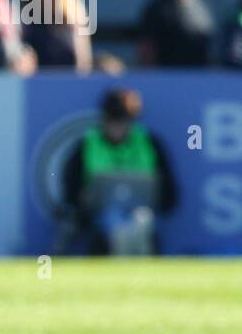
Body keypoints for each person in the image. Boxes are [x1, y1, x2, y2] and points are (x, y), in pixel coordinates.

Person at [58, 88, 177, 255]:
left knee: (141, 220)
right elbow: (71, 190)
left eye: (123, 121)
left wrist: (159, 197)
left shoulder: (149, 144)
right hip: (102, 217)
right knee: (113, 222)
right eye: (113, 121)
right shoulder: (88, 145)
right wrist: (82, 200)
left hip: (141, 212)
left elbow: (169, 191)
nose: (118, 127)